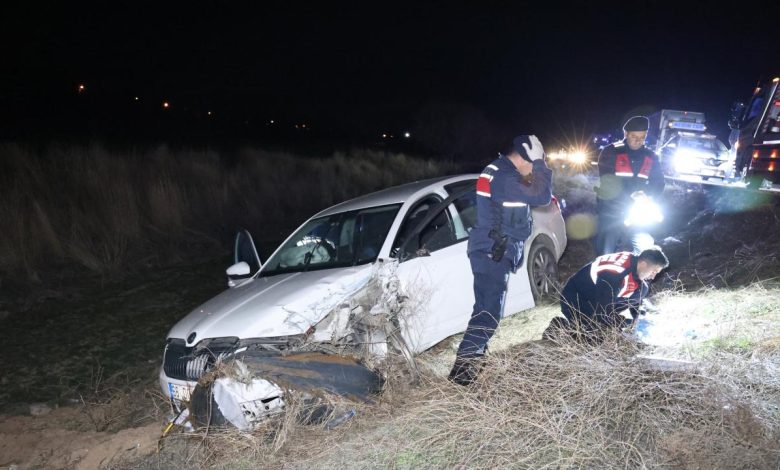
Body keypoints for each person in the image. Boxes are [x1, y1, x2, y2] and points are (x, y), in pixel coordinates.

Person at [449, 135, 553, 386]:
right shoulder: (504, 177)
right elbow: (541, 197)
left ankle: (473, 358)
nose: (533, 169)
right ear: (526, 156)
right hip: (491, 252)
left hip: (489, 250)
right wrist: (540, 164)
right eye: (534, 161)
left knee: (484, 308)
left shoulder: (498, 171)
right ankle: (463, 373)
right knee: (489, 313)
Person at [543, 247, 669, 343]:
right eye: (653, 271)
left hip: (599, 298)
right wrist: (619, 330)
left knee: (642, 292)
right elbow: (601, 313)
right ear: (643, 264)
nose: (653, 276)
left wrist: (638, 318)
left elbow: (634, 302)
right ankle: (559, 327)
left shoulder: (635, 266)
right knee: (595, 340)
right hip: (576, 299)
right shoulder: (614, 274)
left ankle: (607, 324)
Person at [594, 116, 665, 256]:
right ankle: (603, 274)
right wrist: (630, 195)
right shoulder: (610, 152)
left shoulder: (651, 156)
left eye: (642, 137)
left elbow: (659, 182)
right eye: (634, 136)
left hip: (638, 210)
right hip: (612, 208)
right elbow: (608, 180)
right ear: (625, 134)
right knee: (606, 250)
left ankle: (637, 275)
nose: (638, 140)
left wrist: (648, 195)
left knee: (645, 247)